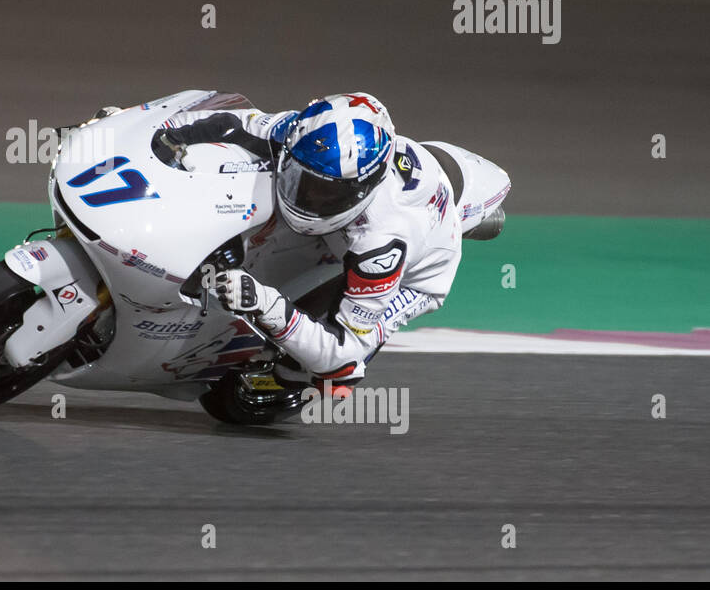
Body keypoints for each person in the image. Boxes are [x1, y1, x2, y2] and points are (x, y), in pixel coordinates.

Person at [160, 92, 509, 393]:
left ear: (363, 190)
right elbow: (229, 122)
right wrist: (150, 131)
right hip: (343, 228)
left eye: (325, 193)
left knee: (329, 373)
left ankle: (285, 380)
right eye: (301, 178)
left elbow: (343, 353)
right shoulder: (306, 136)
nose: (307, 197)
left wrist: (263, 303)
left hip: (415, 273)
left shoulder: (382, 242)